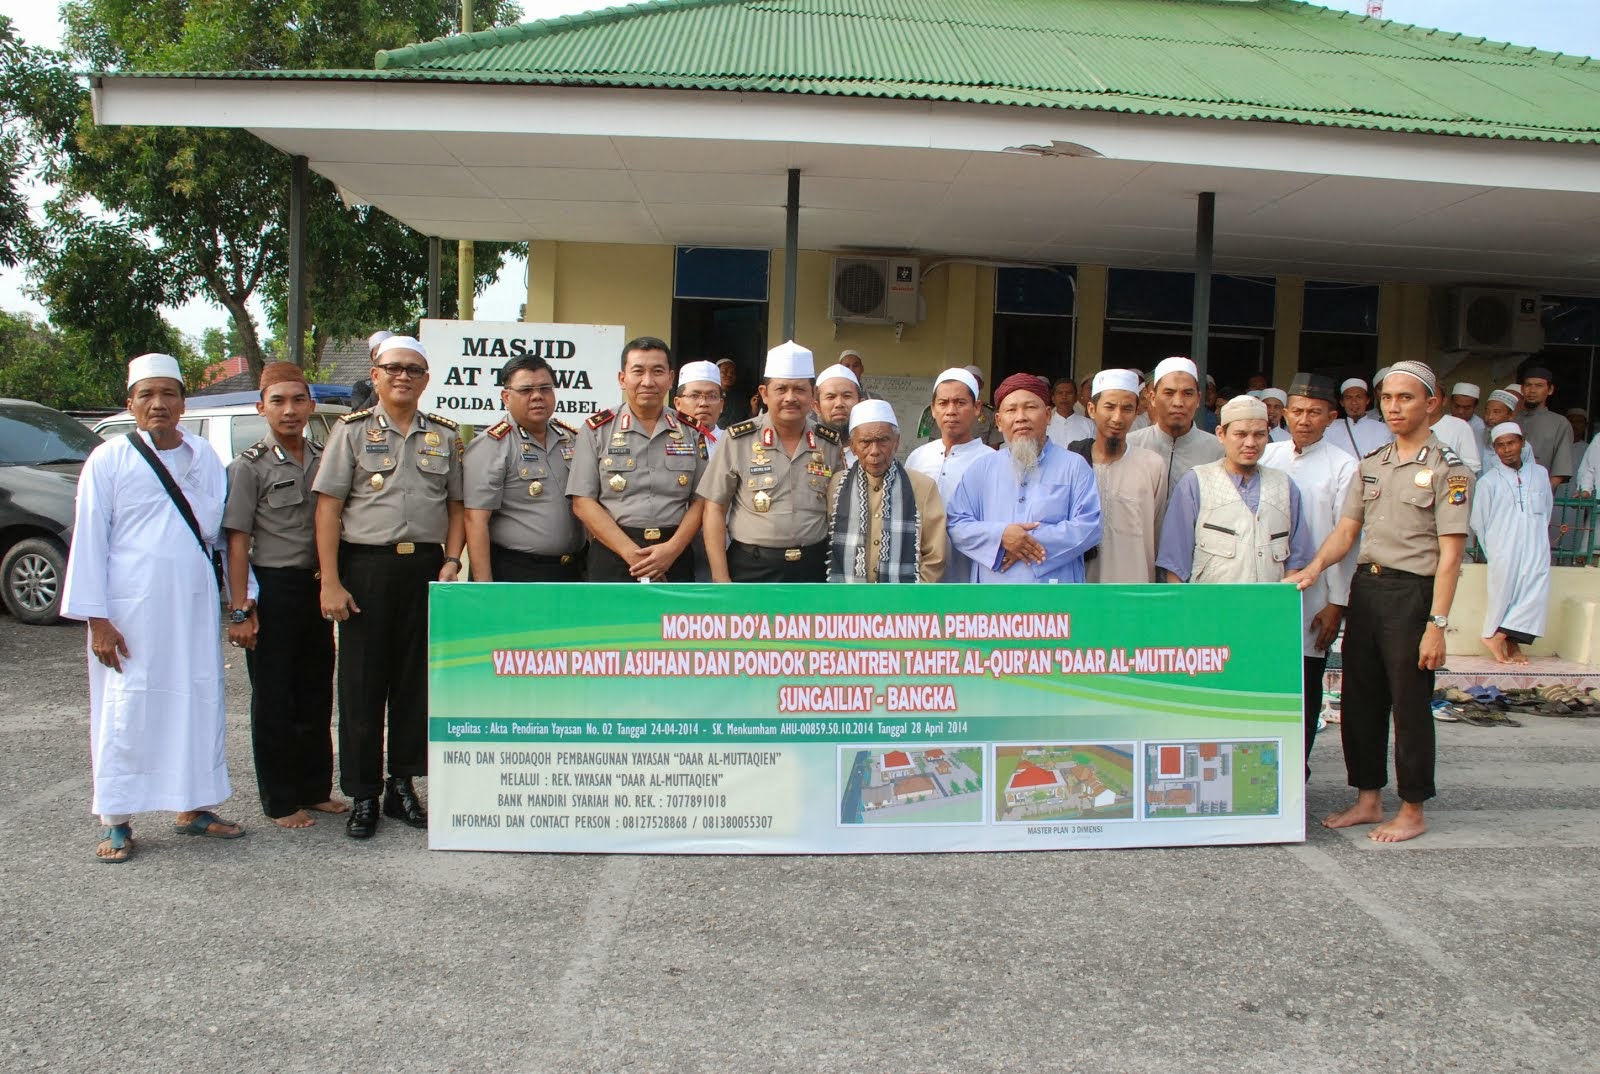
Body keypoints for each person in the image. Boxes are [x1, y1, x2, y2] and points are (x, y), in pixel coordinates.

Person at [64, 352, 243, 862]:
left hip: (190, 607)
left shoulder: (205, 457)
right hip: (129, 612)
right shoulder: (109, 459)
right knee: (127, 709)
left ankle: (195, 808)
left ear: (184, 403)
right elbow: (90, 541)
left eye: (168, 394)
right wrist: (98, 620)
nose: (158, 404)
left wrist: (240, 600)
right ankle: (118, 821)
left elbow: (221, 536)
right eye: (147, 395)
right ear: (131, 405)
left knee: (196, 700)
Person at [1287, 360, 1472, 843]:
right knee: (1360, 700)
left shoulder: (1448, 470)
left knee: (1409, 705)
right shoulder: (1373, 463)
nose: (1394, 407)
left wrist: (1438, 624)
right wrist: (1312, 571)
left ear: (1431, 403)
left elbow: (1451, 557)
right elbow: (1346, 533)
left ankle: (1412, 808)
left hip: (1412, 594)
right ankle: (1368, 798)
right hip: (1365, 591)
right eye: (1388, 398)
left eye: (1406, 398)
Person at [314, 335, 465, 839]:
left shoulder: (444, 435)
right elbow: (329, 508)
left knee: (413, 684)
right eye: (393, 368)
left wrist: (451, 559)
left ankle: (403, 784)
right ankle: (363, 794)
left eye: (414, 370)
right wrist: (331, 581)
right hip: (366, 570)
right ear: (375, 375)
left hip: (423, 568)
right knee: (361, 685)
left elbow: (457, 507)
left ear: (426, 379)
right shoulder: (351, 432)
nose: (403, 376)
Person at [223, 362, 342, 830]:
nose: (289, 410)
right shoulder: (247, 467)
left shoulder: (323, 456)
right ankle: (279, 799)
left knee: (316, 691)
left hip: (318, 586)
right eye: (278, 401)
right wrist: (239, 609)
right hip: (273, 589)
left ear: (311, 406)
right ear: (261, 408)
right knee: (274, 699)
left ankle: (315, 788)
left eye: (298, 401)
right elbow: (236, 541)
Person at [1262, 373, 1360, 774]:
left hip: (1315, 596)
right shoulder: (1268, 456)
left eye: (1315, 413)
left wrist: (1337, 603)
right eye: (1297, 411)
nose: (1304, 420)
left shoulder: (1344, 466)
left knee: (1304, 683)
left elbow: (1346, 537)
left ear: (1331, 417)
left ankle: (1295, 771)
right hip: (1267, 587)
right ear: (1284, 413)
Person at [700, 340, 844, 582]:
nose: (790, 398)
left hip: (814, 567)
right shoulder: (737, 439)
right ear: (764, 394)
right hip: (752, 568)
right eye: (781, 389)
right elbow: (714, 508)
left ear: (812, 395)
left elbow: (840, 511)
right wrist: (721, 579)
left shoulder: (828, 443)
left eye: (799, 389)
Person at [568, 337, 707, 583]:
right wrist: (634, 556)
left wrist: (671, 550)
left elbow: (702, 501)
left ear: (670, 378)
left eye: (657, 372)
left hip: (674, 556)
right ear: (622, 379)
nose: (648, 381)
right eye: (638, 371)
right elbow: (582, 502)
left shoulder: (692, 431)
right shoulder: (597, 430)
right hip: (613, 555)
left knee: (669, 621)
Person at [946, 373, 1102, 583]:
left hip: (1055, 595)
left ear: (1048, 415)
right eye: (1011, 410)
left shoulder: (1074, 466)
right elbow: (956, 523)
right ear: (999, 422)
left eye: (1030, 407)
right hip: (995, 595)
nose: (1021, 417)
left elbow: (1089, 526)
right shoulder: (981, 469)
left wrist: (1023, 542)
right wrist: (1001, 536)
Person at [1156, 394, 1316, 584]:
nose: (1250, 443)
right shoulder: (1195, 483)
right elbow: (1175, 563)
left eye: (1259, 434)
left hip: (1267, 609)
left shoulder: (1284, 486)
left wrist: (1282, 602)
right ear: (1221, 434)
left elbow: (1296, 559)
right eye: (1240, 434)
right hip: (1209, 609)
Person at [463, 355, 584, 582]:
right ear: (506, 397)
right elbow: (475, 519)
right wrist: (484, 587)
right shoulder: (492, 445)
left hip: (571, 569)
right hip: (517, 570)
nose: (537, 396)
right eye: (526, 390)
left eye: (545, 388)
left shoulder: (571, 439)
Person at [827, 400, 946, 582]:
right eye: (865, 442)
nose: (874, 451)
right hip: (848, 600)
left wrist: (915, 597)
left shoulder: (922, 486)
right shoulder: (837, 484)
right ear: (853, 446)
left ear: (896, 442)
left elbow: (934, 555)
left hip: (904, 602)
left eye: (883, 440)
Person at [1074, 368, 1167, 582]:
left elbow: (1157, 532)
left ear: (1136, 413)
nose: (1117, 417)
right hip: (1082, 587)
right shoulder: (1074, 465)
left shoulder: (1153, 465)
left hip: (1135, 588)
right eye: (1109, 407)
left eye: (1127, 409)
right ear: (1091, 409)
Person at [1472, 423, 1553, 664]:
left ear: (1522, 443)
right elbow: (1479, 521)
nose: (1507, 449)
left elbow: (1546, 509)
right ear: (1494, 449)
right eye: (1501, 445)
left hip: (1535, 543)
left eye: (1512, 443)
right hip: (1502, 545)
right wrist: (1493, 549)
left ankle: (1498, 635)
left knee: (1535, 591)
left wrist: (1533, 534)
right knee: (1505, 594)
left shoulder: (1540, 474)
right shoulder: (1488, 481)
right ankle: (1508, 644)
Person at [905, 368, 993, 583]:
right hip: (922, 574)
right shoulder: (918, 457)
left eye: (960, 402)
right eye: (943, 403)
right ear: (933, 409)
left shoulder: (992, 461)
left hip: (971, 572)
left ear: (977, 408)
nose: (951, 411)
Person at [1127, 356, 1225, 501]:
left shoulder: (1218, 451)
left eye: (1187, 394)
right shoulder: (1130, 445)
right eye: (1169, 393)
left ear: (1198, 399)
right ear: (1152, 398)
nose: (1178, 402)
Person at [1515, 366, 1574, 488]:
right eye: (1528, 385)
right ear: (1522, 389)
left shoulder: (1560, 423)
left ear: (1550, 390)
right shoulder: (1512, 420)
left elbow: (1561, 468)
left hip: (1539, 492)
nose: (1532, 390)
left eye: (1539, 386)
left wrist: (1543, 493)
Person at [1328, 377, 1392, 459]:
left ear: (1367, 400)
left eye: (1359, 397)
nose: (1354, 402)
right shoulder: (1331, 427)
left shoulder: (1383, 429)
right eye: (1348, 398)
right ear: (1342, 402)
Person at [674, 360, 727, 456]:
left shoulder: (733, 443)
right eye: (694, 395)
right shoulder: (666, 440)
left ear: (721, 405)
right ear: (678, 403)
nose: (703, 403)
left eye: (712, 396)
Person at [814, 362, 863, 461]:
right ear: (817, 407)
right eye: (831, 397)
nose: (839, 404)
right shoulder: (805, 449)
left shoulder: (873, 452)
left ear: (861, 404)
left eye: (847, 396)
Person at [1428, 398, 1483, 475]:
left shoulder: (1461, 426)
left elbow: (1472, 467)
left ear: (1443, 401)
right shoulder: (1409, 425)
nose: (1461, 411)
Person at [1047, 377, 1094, 448]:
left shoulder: (1089, 425)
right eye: (1060, 393)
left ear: (1076, 398)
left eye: (1069, 393)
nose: (1064, 397)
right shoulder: (1045, 425)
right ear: (1053, 398)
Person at [717, 357, 752, 425]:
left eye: (732, 373)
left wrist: (753, 409)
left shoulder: (741, 397)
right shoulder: (710, 396)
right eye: (724, 371)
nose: (729, 375)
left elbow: (747, 420)